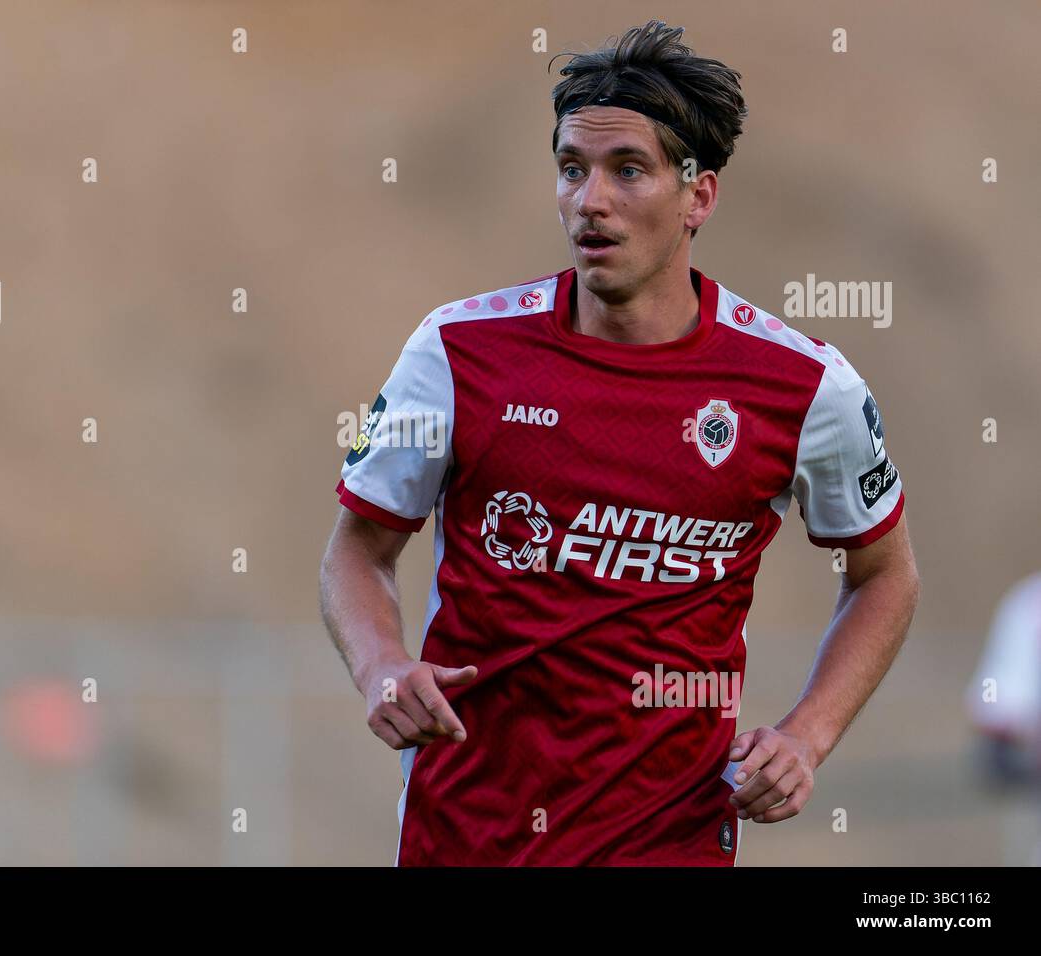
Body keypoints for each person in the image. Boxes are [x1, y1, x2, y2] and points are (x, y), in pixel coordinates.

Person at [319, 19, 920, 865]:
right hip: (466, 837)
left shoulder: (805, 387)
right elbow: (359, 549)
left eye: (627, 170)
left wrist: (806, 737)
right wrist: (381, 664)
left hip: (667, 843)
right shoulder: (455, 353)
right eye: (572, 169)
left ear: (698, 195)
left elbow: (885, 575)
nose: (588, 199)